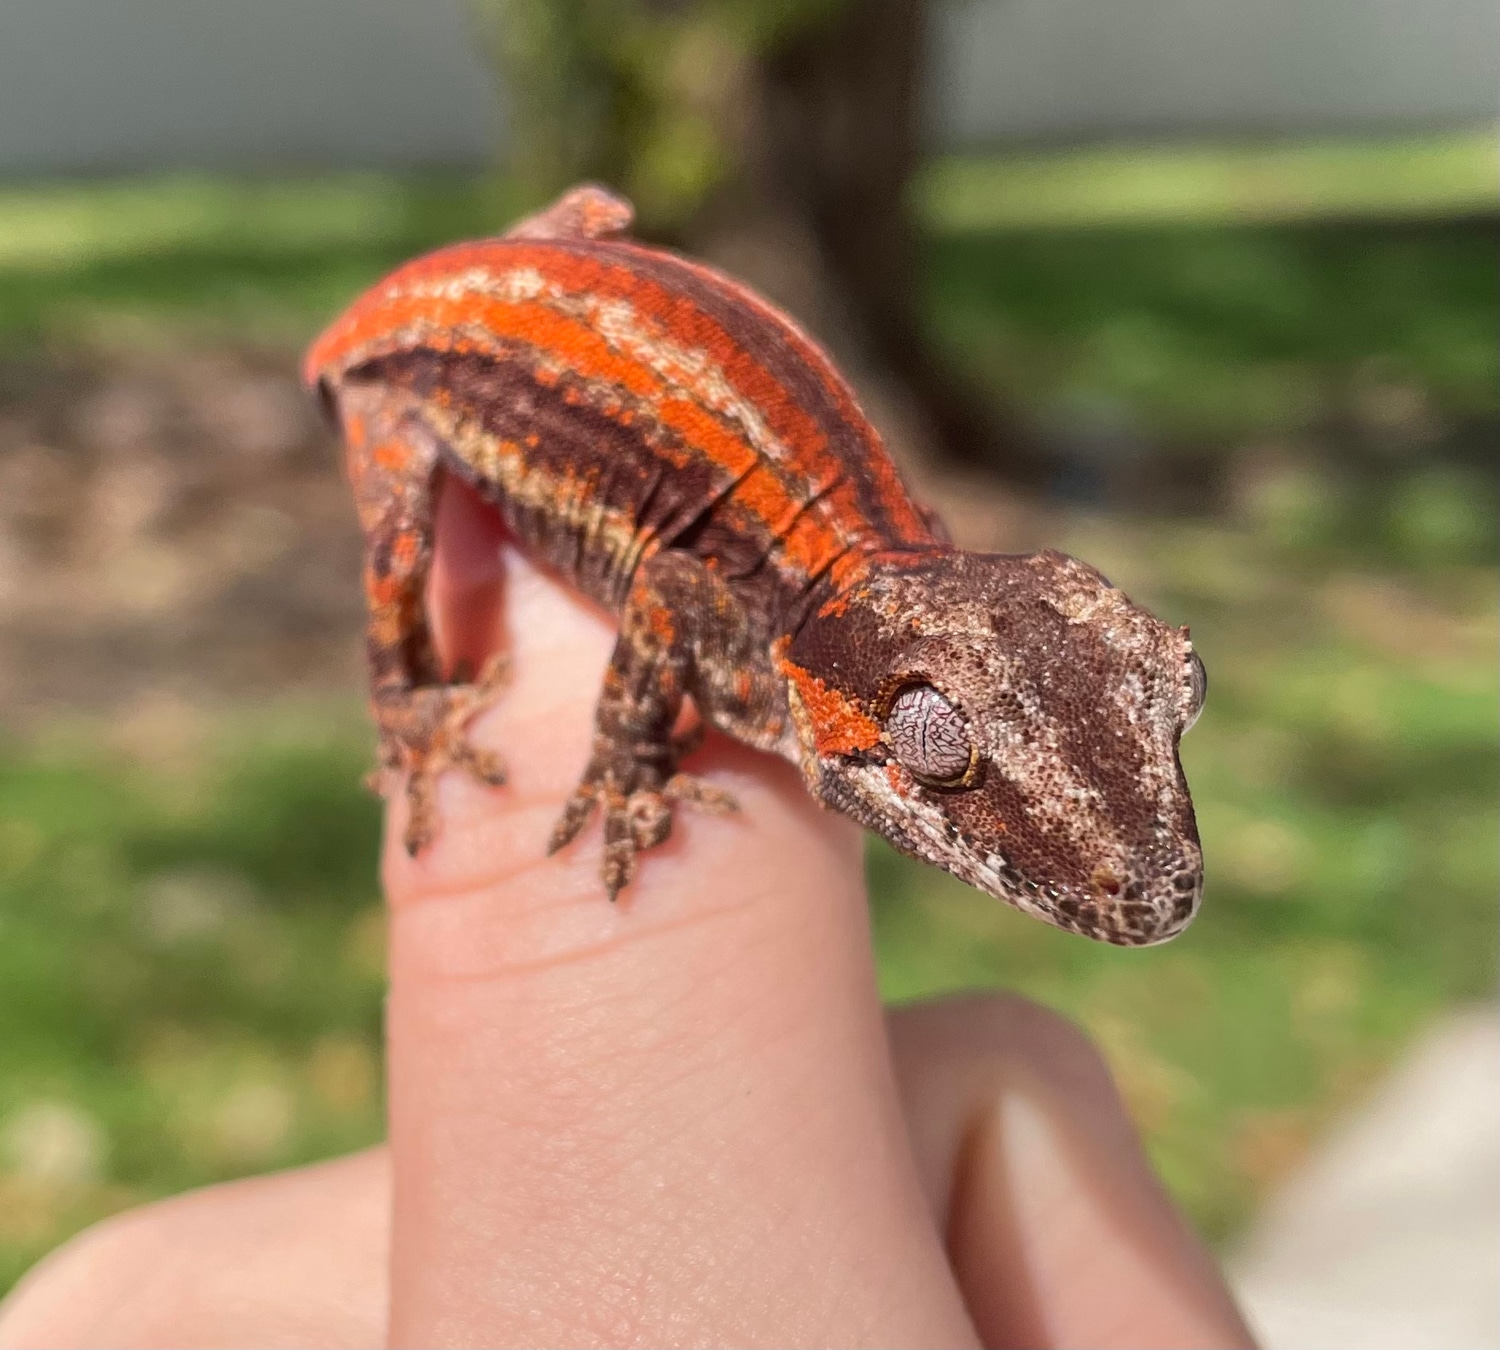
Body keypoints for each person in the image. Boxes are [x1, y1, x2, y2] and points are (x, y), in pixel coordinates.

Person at [0, 478, 1255, 1348]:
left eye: (1171, 687)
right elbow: (661, 600)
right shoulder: (740, 605)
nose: (1142, 866)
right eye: (934, 744)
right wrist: (618, 756)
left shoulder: (838, 587)